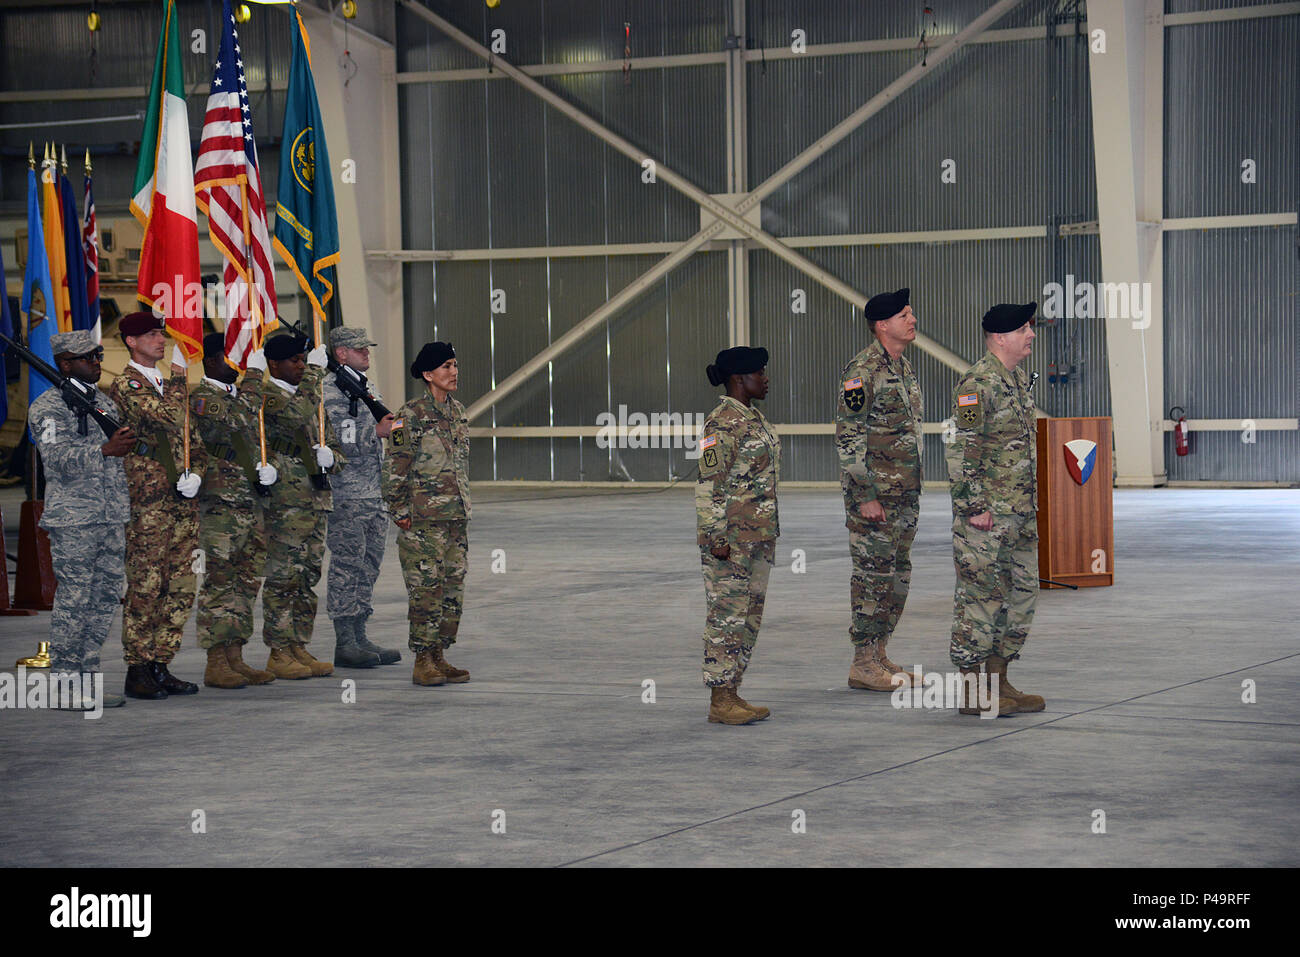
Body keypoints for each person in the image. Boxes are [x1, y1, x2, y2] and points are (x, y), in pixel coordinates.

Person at [945, 301, 1046, 717]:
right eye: (1025, 328)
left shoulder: (1016, 380)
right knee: (980, 597)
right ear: (1001, 337)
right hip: (987, 516)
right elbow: (960, 447)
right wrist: (973, 506)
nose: (1032, 335)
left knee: (1021, 594)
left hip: (1019, 512)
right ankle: (972, 690)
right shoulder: (977, 384)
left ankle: (998, 680)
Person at [30, 330, 133, 710]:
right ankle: (63, 682)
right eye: (87, 357)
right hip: (74, 517)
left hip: (110, 514)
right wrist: (103, 449)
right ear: (64, 363)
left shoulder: (103, 402)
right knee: (74, 598)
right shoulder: (48, 407)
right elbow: (55, 458)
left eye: (98, 354)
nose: (96, 361)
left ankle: (87, 676)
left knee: (105, 597)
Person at [107, 312, 205, 701]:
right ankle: (138, 667)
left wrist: (196, 471)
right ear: (131, 341)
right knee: (147, 584)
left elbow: (191, 437)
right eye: (150, 334)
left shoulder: (168, 383)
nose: (161, 340)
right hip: (148, 502)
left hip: (181, 499)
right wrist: (180, 375)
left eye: (161, 334)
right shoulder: (128, 384)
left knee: (180, 584)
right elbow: (169, 417)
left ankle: (162, 663)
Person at [836, 287, 925, 692]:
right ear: (882, 325)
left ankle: (879, 653)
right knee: (872, 577)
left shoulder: (902, 368)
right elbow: (848, 437)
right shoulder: (863, 372)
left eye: (911, 313)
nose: (912, 320)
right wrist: (865, 494)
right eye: (905, 315)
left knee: (897, 577)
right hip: (875, 498)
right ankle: (862, 662)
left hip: (904, 495)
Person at [696, 346, 780, 725]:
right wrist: (715, 537)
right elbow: (708, 484)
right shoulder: (721, 423)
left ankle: (732, 691)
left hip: (757, 536)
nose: (765, 379)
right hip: (730, 541)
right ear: (738, 380)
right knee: (726, 616)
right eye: (759, 373)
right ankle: (719, 699)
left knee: (748, 617)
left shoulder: (753, 418)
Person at [190, 332, 279, 689]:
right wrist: (256, 377)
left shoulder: (240, 397)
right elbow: (239, 421)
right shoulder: (203, 399)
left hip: (249, 505)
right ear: (211, 361)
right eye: (232, 357)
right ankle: (215, 661)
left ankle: (235, 656)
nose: (240, 364)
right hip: (220, 509)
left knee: (246, 583)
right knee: (219, 583)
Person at [382, 342, 471, 687]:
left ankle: (439, 655)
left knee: (452, 590)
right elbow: (395, 466)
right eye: (446, 366)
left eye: (455, 364)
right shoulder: (410, 415)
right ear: (427, 374)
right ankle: (422, 659)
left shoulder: (458, 411)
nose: (453, 372)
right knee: (425, 590)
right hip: (422, 520)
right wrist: (399, 509)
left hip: (454, 519)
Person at [258, 332, 341, 679]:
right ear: (274, 364)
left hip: (315, 499)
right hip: (285, 503)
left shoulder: (313, 398)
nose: (301, 366)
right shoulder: (269, 396)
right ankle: (278, 650)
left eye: (304, 360)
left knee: (307, 576)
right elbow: (293, 417)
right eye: (294, 360)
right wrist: (315, 377)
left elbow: (335, 447)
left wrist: (330, 458)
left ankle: (298, 645)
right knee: (282, 577)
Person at [322, 326, 399, 668]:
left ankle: (360, 633)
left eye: (366, 348)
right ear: (340, 353)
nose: (366, 353)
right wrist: (377, 431)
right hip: (348, 494)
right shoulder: (331, 390)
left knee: (368, 566)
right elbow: (342, 438)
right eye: (358, 349)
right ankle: (345, 642)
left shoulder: (364, 386)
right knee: (347, 566)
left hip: (373, 494)